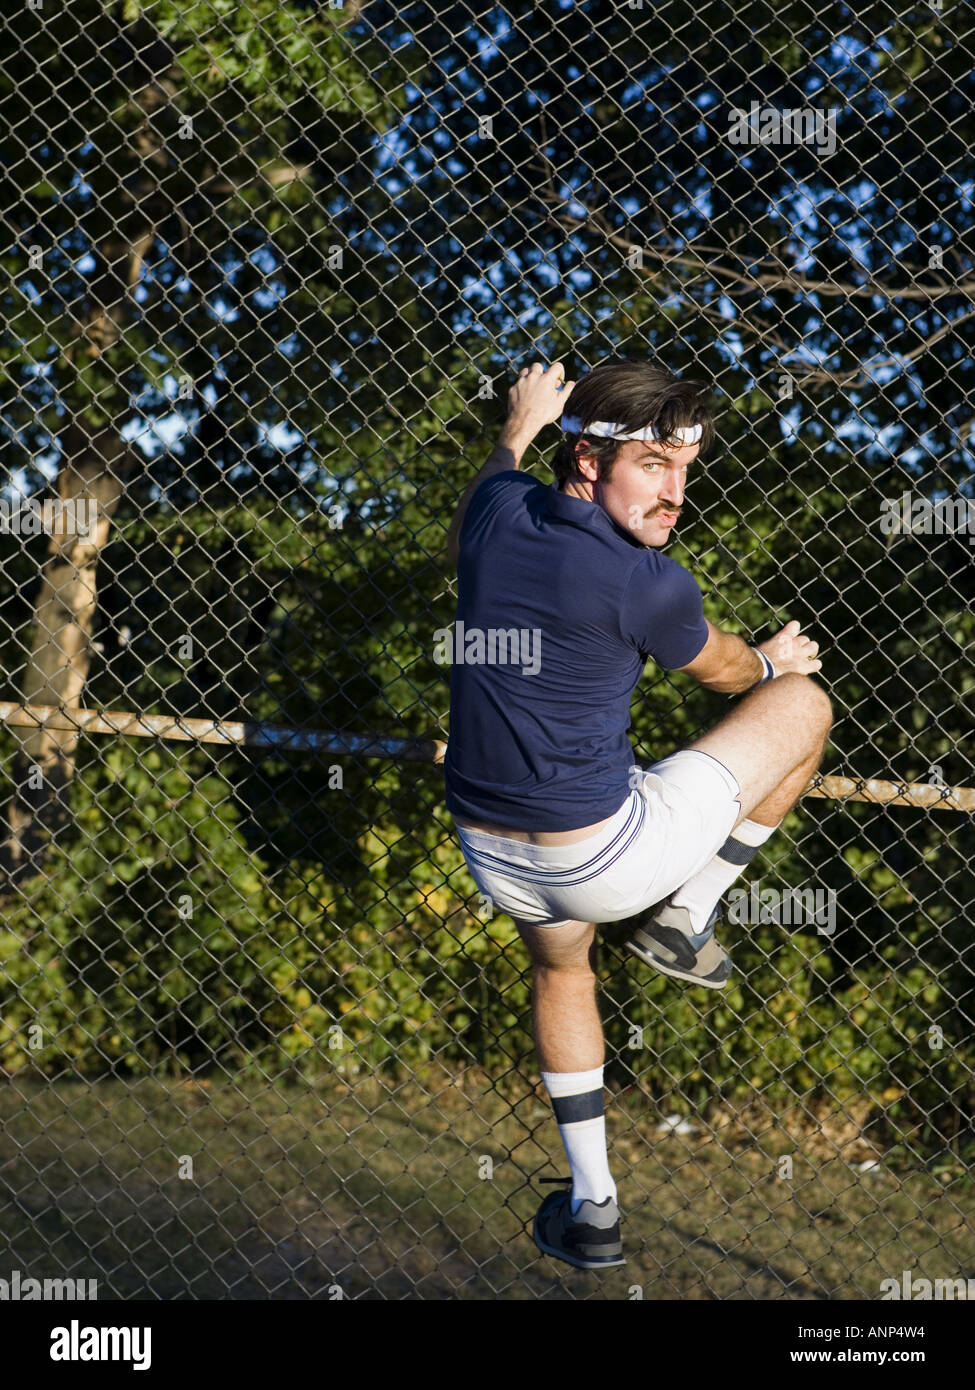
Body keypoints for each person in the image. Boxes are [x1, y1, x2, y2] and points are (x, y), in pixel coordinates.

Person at [442, 357, 832, 1271]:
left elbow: (477, 503)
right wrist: (774, 661)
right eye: (654, 464)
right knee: (805, 710)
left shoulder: (499, 517)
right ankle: (686, 912)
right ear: (589, 458)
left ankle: (594, 1210)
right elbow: (728, 672)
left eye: (686, 468)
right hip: (603, 858)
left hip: (491, 856)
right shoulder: (644, 580)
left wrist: (517, 424)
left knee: (561, 973)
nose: (675, 492)